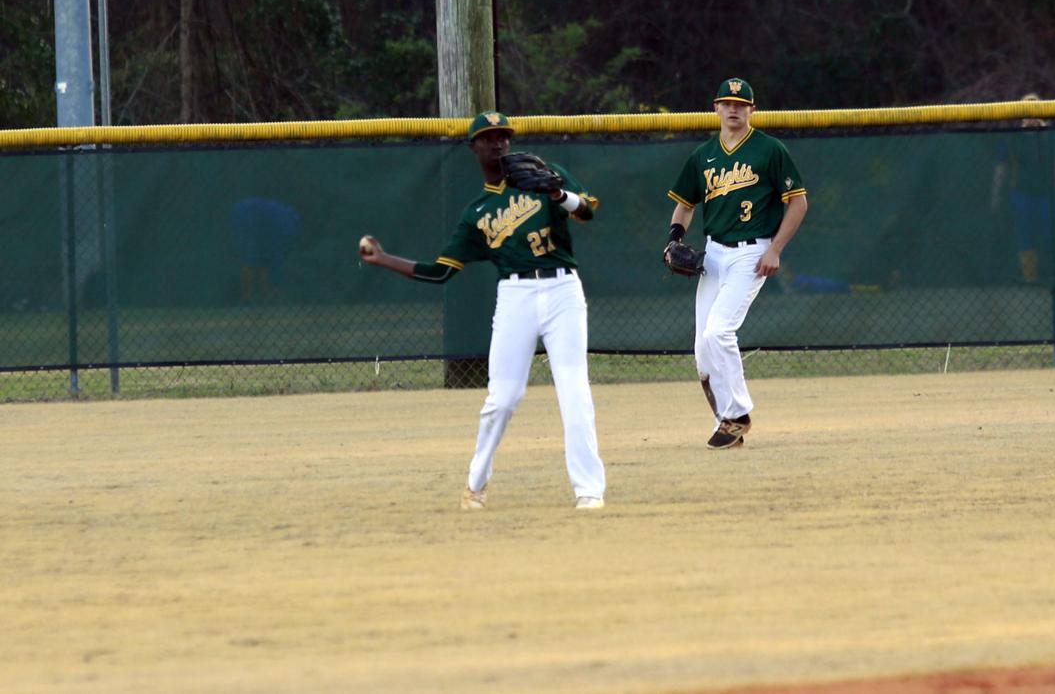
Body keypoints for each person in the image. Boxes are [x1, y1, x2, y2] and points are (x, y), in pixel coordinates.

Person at [359, 111, 606, 510]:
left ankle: (589, 491)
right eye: (489, 137)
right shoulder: (475, 213)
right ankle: (476, 483)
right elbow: (440, 272)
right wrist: (384, 258)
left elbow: (588, 210)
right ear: (473, 146)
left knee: (574, 390)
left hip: (563, 288)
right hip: (515, 295)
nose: (499, 144)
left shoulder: (545, 175)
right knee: (503, 398)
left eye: (504, 136)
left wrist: (559, 194)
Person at [664, 78, 809, 449]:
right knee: (702, 352)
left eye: (741, 104)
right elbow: (685, 204)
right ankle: (726, 425)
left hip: (752, 252)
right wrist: (674, 240)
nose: (733, 109)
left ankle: (738, 413)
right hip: (713, 253)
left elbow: (798, 202)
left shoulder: (769, 150)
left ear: (751, 110)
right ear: (715, 107)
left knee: (719, 333)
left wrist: (775, 248)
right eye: (727, 103)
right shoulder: (702, 156)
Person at [989, 93, 1055, 283]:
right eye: (1027, 112)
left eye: (1035, 112)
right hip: (1022, 195)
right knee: (1025, 235)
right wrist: (995, 195)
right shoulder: (1012, 139)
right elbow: (1001, 169)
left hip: (1049, 194)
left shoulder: (1050, 137)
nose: (1031, 117)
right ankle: (1030, 279)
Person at [230, 197, 302, 303]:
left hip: (251, 218)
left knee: (260, 261)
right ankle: (248, 297)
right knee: (251, 261)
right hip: (249, 219)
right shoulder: (289, 224)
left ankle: (260, 295)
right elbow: (278, 255)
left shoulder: (288, 218)